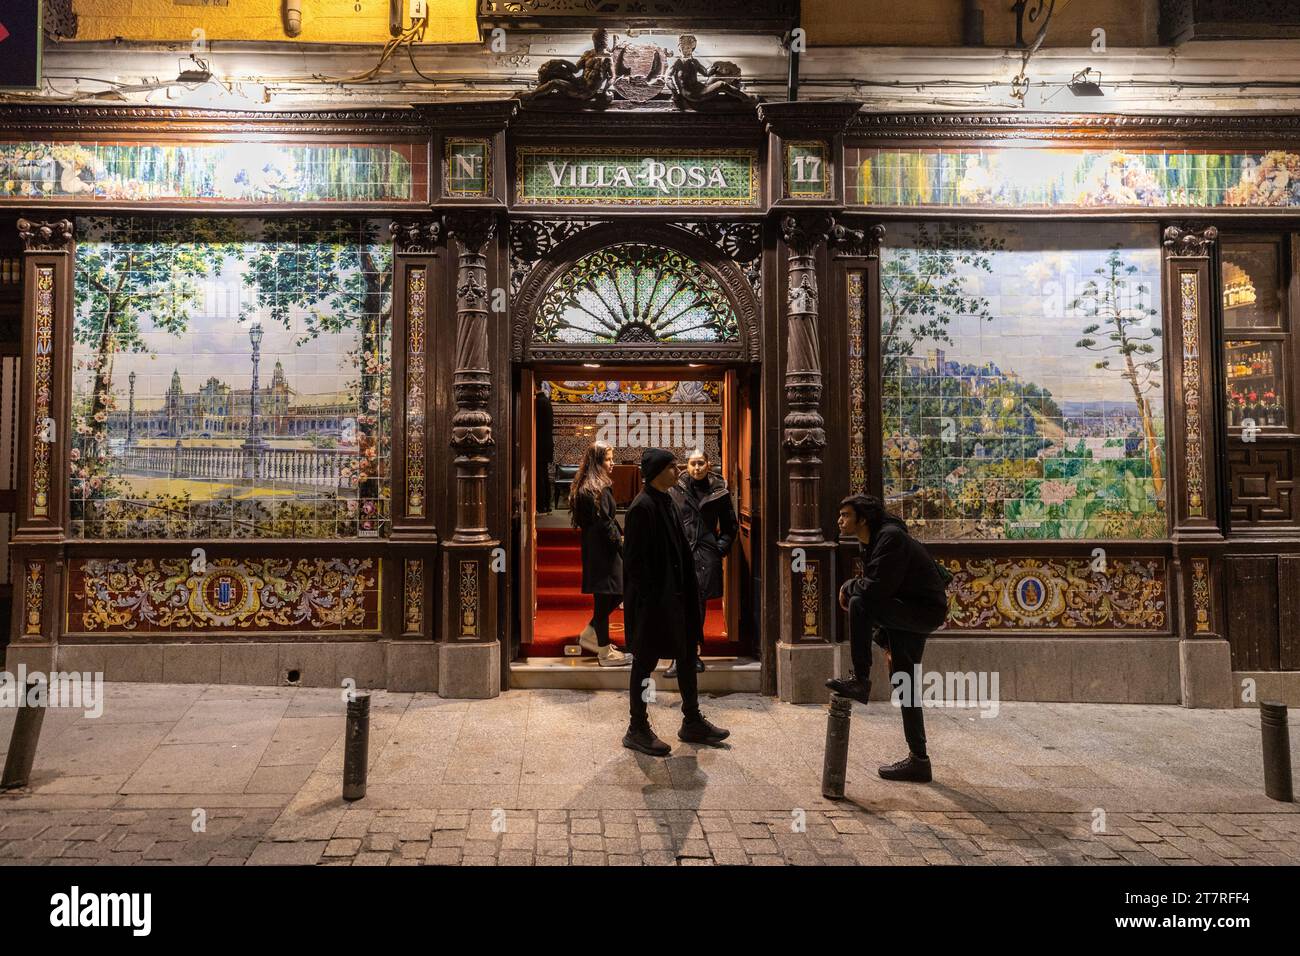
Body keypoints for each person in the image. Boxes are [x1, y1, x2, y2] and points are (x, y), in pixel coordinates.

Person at [828, 494, 949, 783]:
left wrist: (847, 586)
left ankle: (860, 679)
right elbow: (885, 591)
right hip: (908, 610)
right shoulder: (871, 541)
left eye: (845, 515)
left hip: (922, 611)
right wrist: (886, 642)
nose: (840, 520)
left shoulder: (890, 538)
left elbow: (875, 590)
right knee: (904, 682)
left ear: (863, 518)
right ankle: (919, 760)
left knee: (858, 602)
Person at [621, 448, 730, 756]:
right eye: (671, 467)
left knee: (685, 655)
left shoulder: (667, 500)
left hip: (678, 597)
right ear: (657, 471)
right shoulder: (641, 508)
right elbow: (635, 565)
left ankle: (692, 719)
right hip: (654, 604)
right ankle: (637, 727)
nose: (677, 471)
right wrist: (653, 601)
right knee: (644, 664)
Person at [666, 449, 737, 678]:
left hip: (705, 553)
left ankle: (692, 654)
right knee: (678, 605)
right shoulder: (674, 489)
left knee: (698, 606)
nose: (696, 468)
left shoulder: (719, 491)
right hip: (680, 552)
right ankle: (678, 656)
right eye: (692, 464)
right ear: (686, 465)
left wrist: (719, 548)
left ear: (708, 464)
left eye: (700, 463)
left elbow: (729, 526)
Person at [569, 441, 630, 667]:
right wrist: (622, 546)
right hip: (605, 550)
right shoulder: (598, 488)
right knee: (609, 595)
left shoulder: (585, 485)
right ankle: (604, 652)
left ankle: (593, 633)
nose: (612, 463)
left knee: (608, 595)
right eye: (608, 459)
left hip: (594, 548)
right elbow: (607, 523)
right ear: (596, 461)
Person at [535, 384, 554, 514]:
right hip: (546, 445)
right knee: (544, 475)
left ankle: (541, 505)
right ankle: (546, 504)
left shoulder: (538, 402)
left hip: (539, 445)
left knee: (540, 476)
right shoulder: (546, 402)